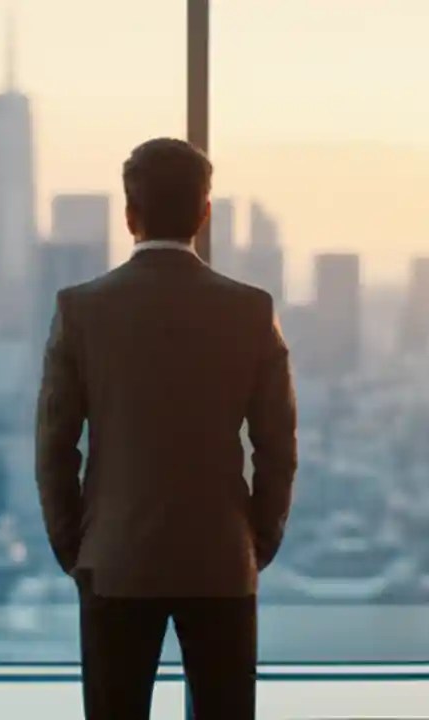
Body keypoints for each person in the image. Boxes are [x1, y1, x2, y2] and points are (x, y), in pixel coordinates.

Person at [36, 137, 298, 719]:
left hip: (115, 559)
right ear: (205, 214)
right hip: (222, 559)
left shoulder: (80, 310)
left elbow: (54, 448)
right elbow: (277, 446)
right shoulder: (250, 310)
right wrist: (258, 539)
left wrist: (74, 549)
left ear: (129, 215)